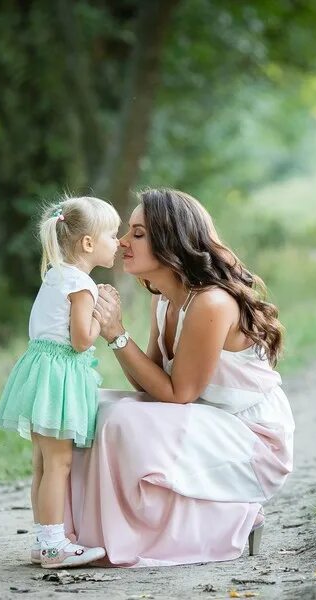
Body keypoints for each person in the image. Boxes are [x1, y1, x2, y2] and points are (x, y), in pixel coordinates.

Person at [65, 188, 295, 567]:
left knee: (121, 419)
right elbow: (150, 383)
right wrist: (114, 334)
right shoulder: (164, 298)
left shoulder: (211, 302)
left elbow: (177, 394)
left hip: (252, 440)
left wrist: (116, 334)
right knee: (91, 406)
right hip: (205, 420)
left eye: (138, 233)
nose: (123, 241)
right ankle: (81, 538)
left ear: (171, 241)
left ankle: (233, 514)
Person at [0, 196, 120, 569]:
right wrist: (101, 316)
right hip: (59, 378)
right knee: (59, 463)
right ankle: (53, 546)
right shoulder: (82, 285)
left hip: (39, 374)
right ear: (88, 243)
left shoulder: (56, 274)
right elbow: (81, 340)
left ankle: (43, 539)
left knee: (43, 464)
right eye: (112, 235)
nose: (118, 242)